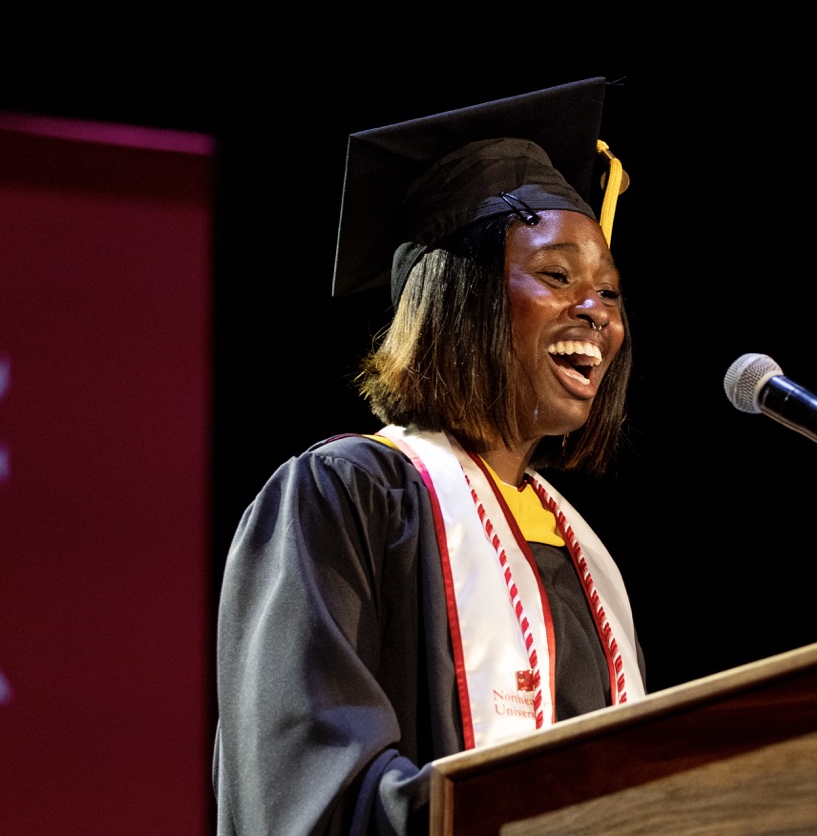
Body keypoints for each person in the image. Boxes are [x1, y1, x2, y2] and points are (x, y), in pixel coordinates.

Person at [213, 77, 646, 835]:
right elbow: (306, 783)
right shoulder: (344, 497)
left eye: (609, 292)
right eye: (557, 276)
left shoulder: (587, 560)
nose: (597, 313)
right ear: (461, 295)